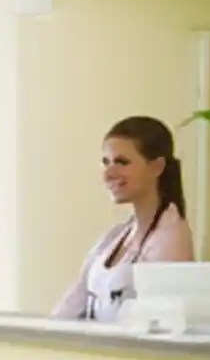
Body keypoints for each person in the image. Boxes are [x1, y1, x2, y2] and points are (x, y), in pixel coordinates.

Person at [52, 116, 195, 321]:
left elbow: (155, 322)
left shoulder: (171, 238)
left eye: (122, 162)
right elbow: (73, 301)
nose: (109, 174)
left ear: (157, 167)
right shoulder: (115, 236)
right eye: (106, 162)